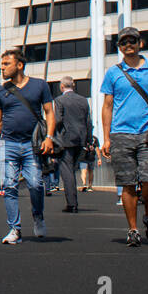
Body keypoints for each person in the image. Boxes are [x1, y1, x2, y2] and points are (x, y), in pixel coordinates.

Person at [100, 26, 148, 247]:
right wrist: (106, 138)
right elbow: (107, 105)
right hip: (121, 133)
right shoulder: (113, 72)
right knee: (127, 183)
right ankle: (132, 229)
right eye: (123, 42)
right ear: (119, 47)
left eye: (132, 41)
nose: (128, 45)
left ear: (141, 43)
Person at [0, 48, 56, 244]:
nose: (2, 68)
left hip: (32, 145)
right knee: (9, 186)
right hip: (9, 143)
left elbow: (49, 113)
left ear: (19, 65)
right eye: (1, 64)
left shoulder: (39, 86)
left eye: (6, 64)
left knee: (36, 184)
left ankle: (38, 216)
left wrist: (49, 137)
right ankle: (14, 229)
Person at [53, 76, 93, 213]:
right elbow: (88, 121)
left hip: (66, 139)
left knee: (67, 171)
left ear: (62, 86)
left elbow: (58, 120)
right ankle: (73, 200)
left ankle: (72, 203)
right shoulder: (83, 100)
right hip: (80, 139)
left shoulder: (59, 100)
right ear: (73, 85)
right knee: (73, 169)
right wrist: (88, 140)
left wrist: (52, 135)